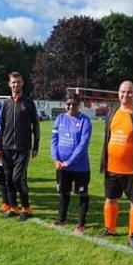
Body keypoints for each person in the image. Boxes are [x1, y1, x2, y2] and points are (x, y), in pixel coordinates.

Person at [99, 80, 133, 247]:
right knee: (110, 199)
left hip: (131, 170)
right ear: (118, 93)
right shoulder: (112, 113)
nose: (125, 94)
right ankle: (110, 228)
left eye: (129, 92)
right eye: (122, 91)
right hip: (111, 167)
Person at [0, 72, 40, 219]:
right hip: (7, 148)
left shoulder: (28, 103)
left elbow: (36, 125)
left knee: (17, 179)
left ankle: (26, 208)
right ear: (9, 84)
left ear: (22, 83)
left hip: (23, 148)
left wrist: (36, 146)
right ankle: (13, 207)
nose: (16, 85)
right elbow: (1, 127)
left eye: (18, 82)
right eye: (13, 82)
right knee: (8, 179)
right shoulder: (6, 104)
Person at [51, 93, 92, 233]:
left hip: (80, 167)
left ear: (79, 105)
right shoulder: (60, 118)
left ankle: (81, 224)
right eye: (68, 104)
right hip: (62, 166)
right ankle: (61, 219)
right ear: (65, 105)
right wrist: (56, 159)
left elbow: (83, 146)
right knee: (64, 193)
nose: (71, 107)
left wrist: (68, 162)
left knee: (82, 193)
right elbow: (54, 140)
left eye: (74, 104)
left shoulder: (85, 121)